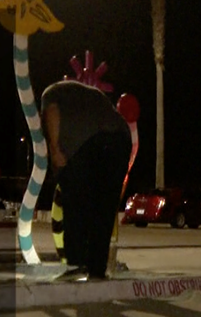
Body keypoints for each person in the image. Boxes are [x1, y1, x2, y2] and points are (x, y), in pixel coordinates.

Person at [40, 79, 133, 281]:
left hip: (88, 142)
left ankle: (76, 264)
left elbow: (52, 111)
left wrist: (54, 149)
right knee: (104, 207)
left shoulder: (49, 93)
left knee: (74, 203)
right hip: (121, 138)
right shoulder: (89, 94)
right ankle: (97, 270)